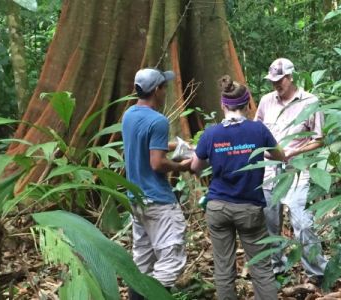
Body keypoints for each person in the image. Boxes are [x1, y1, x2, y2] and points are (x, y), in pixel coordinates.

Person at [191, 76, 285, 300]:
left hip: (218, 207)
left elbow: (195, 167)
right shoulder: (258, 130)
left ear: (223, 105)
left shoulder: (211, 133)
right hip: (249, 208)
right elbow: (279, 155)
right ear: (248, 105)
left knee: (223, 268)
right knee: (261, 269)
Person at [121, 68, 193, 299]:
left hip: (137, 199)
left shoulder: (129, 115)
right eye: (164, 87)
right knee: (170, 261)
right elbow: (157, 163)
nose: (165, 92)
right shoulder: (158, 121)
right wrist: (181, 166)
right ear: (156, 90)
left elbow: (144, 144)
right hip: (158, 201)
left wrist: (178, 145)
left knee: (142, 260)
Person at [256, 58, 328, 285]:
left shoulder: (310, 102)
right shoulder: (267, 101)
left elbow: (319, 139)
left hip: (298, 170)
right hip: (269, 171)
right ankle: (276, 267)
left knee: (302, 222)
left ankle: (317, 272)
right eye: (273, 81)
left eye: (280, 80)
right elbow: (256, 129)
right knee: (269, 222)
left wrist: (291, 154)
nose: (276, 84)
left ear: (290, 77)